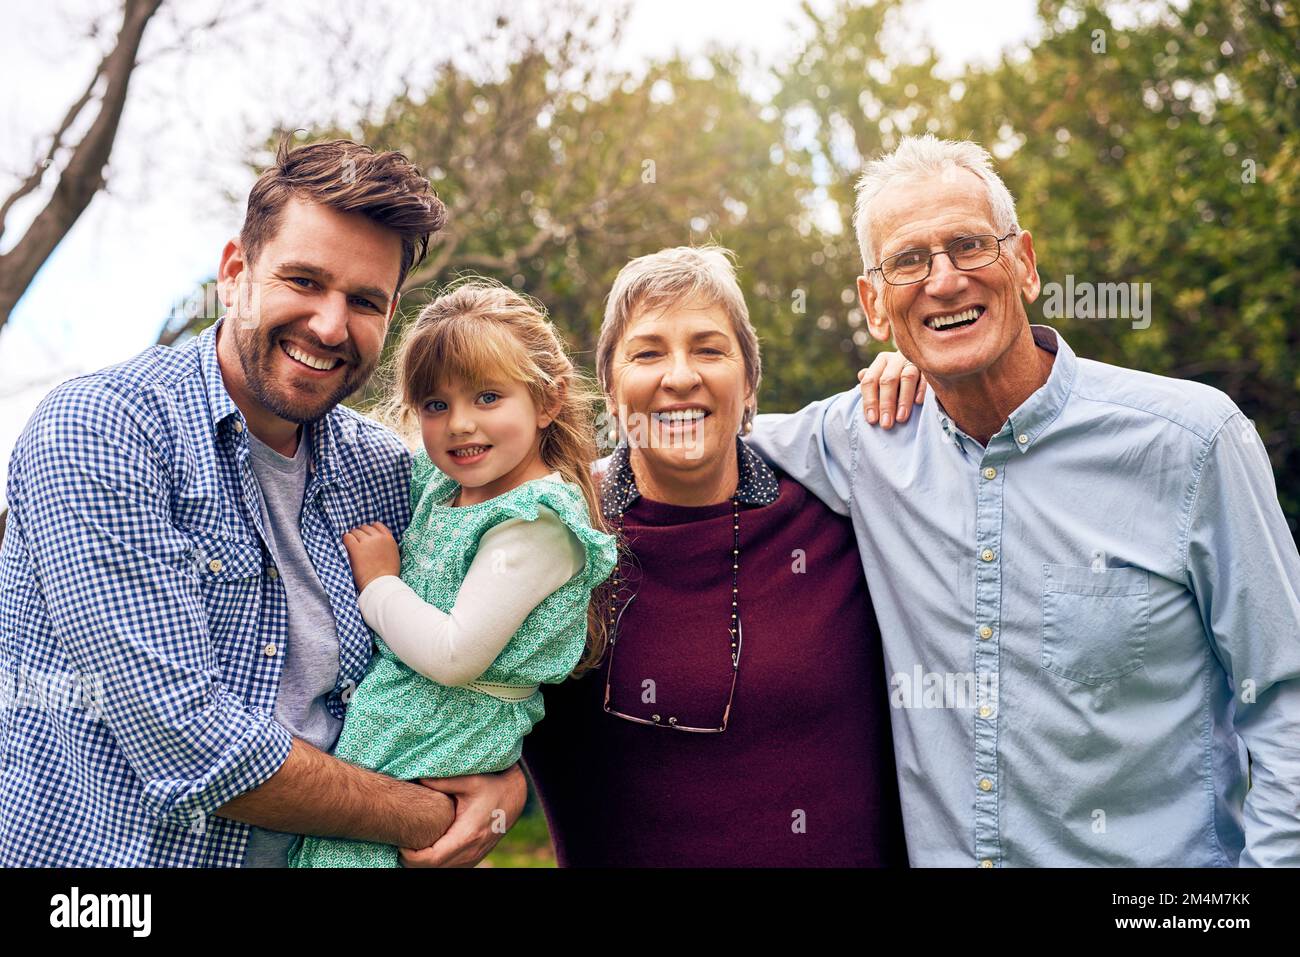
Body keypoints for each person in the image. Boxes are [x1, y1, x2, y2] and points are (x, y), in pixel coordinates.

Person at [746, 133, 1300, 867]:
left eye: (970, 245)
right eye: (909, 260)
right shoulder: (864, 438)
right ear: (876, 305)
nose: (944, 281)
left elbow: (1287, 701)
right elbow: (686, 438)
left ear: (1025, 264)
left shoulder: (1192, 443)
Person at [0, 138, 526, 867]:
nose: (330, 326)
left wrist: (508, 790)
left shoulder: (387, 473)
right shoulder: (104, 432)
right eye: (304, 280)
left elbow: (475, 646)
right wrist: (430, 813)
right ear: (234, 273)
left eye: (364, 301)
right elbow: (187, 737)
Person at [523, 246, 914, 866]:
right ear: (609, 386)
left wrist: (927, 379)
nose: (680, 376)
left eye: (709, 349)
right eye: (648, 352)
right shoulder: (552, 537)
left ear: (749, 381)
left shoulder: (848, 514)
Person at [290, 282, 617, 867]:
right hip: (401, 733)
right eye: (436, 405)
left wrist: (380, 583)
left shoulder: (535, 521)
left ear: (548, 401)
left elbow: (455, 653)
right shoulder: (450, 488)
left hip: (442, 739)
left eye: (488, 397)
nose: (460, 424)